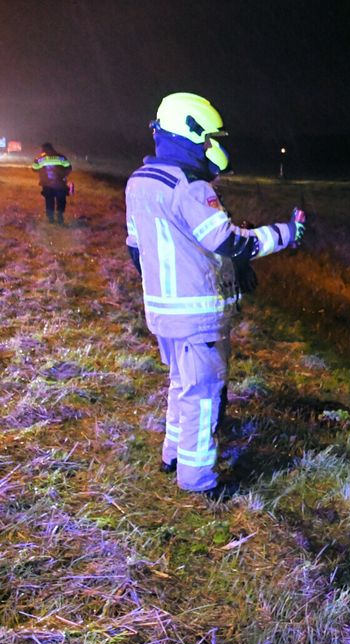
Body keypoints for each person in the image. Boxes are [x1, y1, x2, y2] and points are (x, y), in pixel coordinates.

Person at [125, 92, 307, 500]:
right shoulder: (191, 187)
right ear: (190, 134)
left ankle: (172, 453)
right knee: (204, 394)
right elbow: (230, 242)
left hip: (164, 311)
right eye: (209, 139)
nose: (214, 147)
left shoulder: (141, 181)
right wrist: (286, 234)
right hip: (198, 314)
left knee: (181, 384)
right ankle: (198, 479)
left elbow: (135, 249)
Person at [31, 143, 72, 223]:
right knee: (61, 201)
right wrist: (63, 175)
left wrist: (35, 162)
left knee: (49, 201)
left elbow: (34, 169)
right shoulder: (61, 158)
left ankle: (51, 219)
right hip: (60, 184)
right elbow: (69, 167)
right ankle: (60, 217)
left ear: (45, 150)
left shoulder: (42, 159)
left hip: (47, 184)